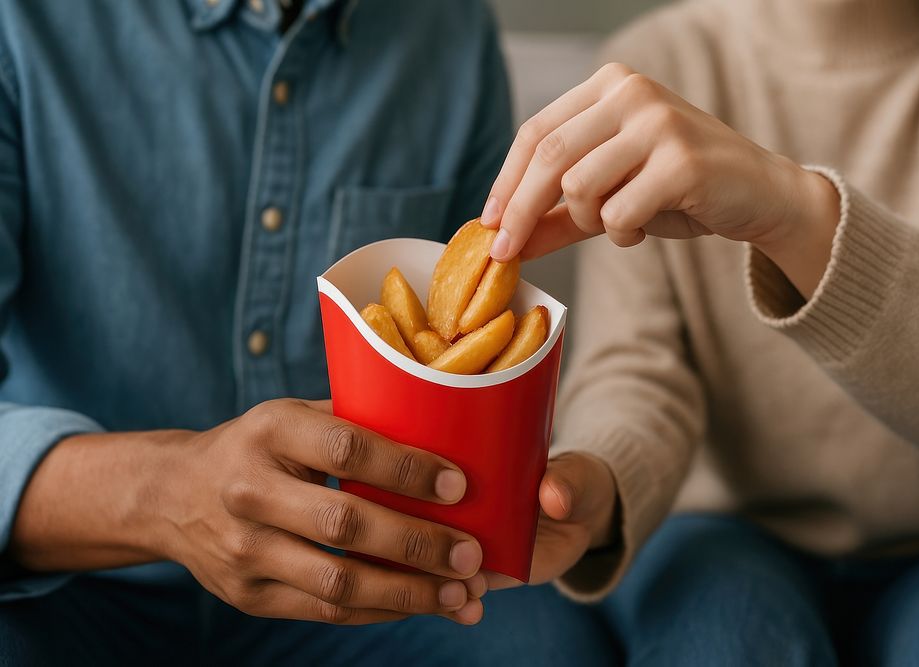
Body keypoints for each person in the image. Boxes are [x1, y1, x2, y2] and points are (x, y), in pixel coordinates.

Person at [0, 1, 618, 664]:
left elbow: (475, 362)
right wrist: (168, 491)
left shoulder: (452, 30)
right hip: (72, 581)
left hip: (359, 573)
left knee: (547, 648)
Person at [483, 0, 919, 664]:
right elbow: (638, 368)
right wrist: (597, 477)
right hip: (722, 527)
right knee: (720, 646)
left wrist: (794, 212)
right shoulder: (655, 65)